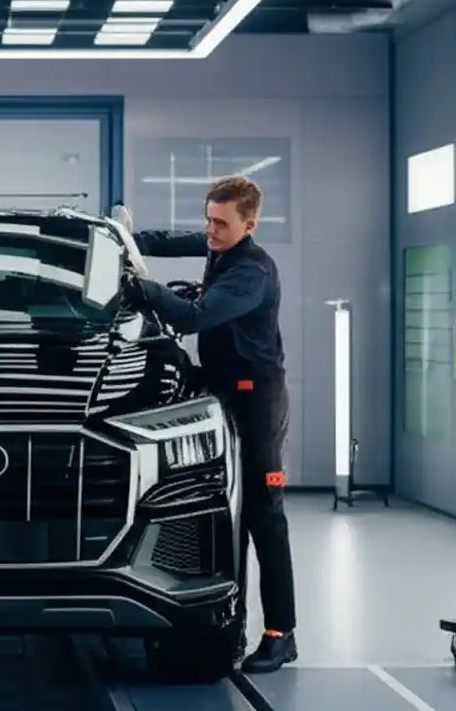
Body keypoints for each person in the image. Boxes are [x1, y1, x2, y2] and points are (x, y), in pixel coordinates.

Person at [124, 175, 297, 674]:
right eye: (208, 218)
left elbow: (196, 317)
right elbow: (163, 240)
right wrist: (122, 237)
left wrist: (145, 290)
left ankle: (281, 632)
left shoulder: (252, 272)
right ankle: (230, 624)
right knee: (228, 514)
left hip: (257, 403)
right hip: (223, 391)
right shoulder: (217, 244)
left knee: (264, 516)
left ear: (250, 224)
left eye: (221, 223)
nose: (210, 230)